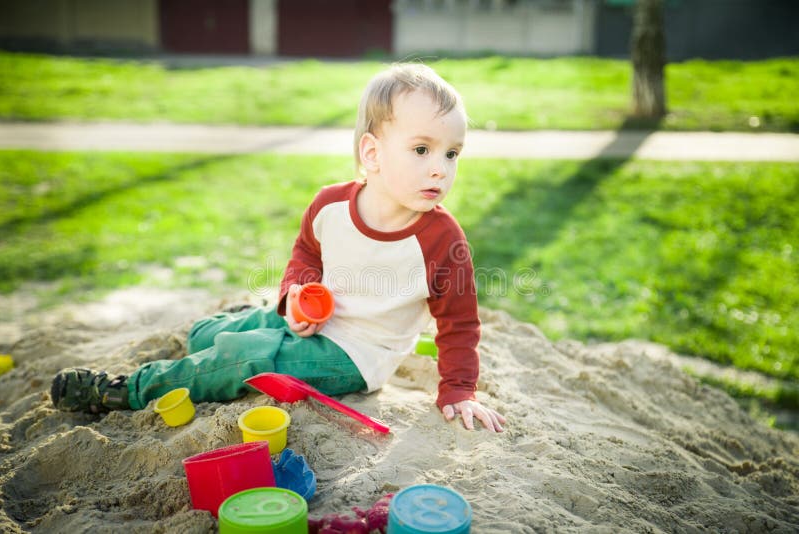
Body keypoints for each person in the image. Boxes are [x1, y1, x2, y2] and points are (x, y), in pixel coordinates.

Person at [51, 63, 506, 432]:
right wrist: (293, 298)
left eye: (452, 154)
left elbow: (460, 325)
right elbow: (306, 256)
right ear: (372, 154)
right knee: (206, 334)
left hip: (354, 354)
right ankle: (229, 340)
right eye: (422, 149)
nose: (440, 170)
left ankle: (124, 390)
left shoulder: (443, 242)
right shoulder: (330, 205)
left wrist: (459, 390)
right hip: (316, 315)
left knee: (239, 356)